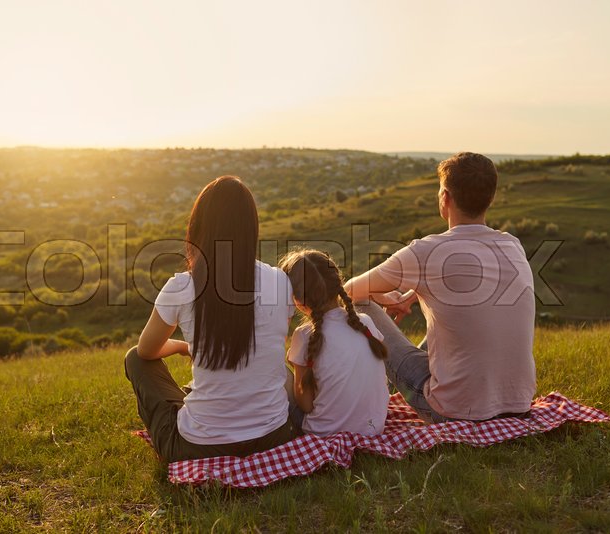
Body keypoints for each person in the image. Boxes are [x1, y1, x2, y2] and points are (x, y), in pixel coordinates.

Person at [344, 152, 536, 423]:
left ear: (444, 197)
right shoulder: (512, 244)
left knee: (357, 304)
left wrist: (383, 297)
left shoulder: (426, 251)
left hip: (452, 411)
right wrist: (413, 294)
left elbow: (349, 290)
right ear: (490, 198)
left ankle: (356, 392)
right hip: (518, 405)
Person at [124, 176, 296, 462]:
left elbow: (146, 351)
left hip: (198, 448)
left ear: (199, 227)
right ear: (250, 228)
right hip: (274, 436)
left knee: (134, 358)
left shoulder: (182, 287)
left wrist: (181, 346)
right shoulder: (280, 281)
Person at [279, 249, 389, 437]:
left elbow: (305, 404)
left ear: (297, 300)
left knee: (277, 368)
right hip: (373, 428)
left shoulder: (303, 335)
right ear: (338, 283)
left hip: (323, 433)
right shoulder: (365, 322)